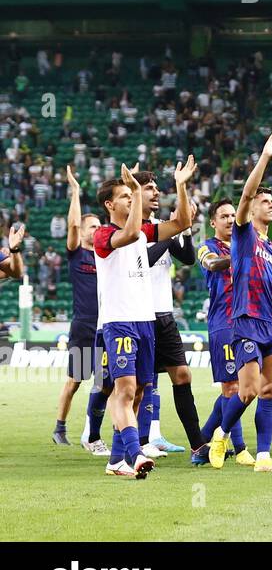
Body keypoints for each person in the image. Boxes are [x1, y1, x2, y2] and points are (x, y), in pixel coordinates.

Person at [94, 159, 195, 478]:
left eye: (131, 195)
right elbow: (128, 235)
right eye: (125, 196)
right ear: (110, 204)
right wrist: (139, 193)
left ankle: (116, 460)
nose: (131, 199)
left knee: (137, 392)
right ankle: (135, 453)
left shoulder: (143, 232)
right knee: (123, 390)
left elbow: (181, 223)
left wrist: (180, 185)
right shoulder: (102, 235)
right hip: (119, 322)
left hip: (145, 323)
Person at [207, 134, 272, 473]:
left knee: (270, 390)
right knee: (247, 391)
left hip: (270, 325)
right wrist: (265, 157)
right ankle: (221, 433)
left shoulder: (271, 250)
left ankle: (263, 458)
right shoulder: (243, 234)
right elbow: (246, 193)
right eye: (266, 201)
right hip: (244, 319)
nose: (271, 205)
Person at [138, 168, 203, 458]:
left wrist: (184, 228)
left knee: (183, 375)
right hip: (139, 315)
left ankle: (198, 444)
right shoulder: (131, 231)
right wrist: (173, 227)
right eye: (149, 188)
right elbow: (146, 259)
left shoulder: (159, 226)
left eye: (156, 188)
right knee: (140, 384)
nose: (156, 193)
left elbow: (187, 257)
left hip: (164, 316)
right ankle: (138, 443)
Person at [191, 199, 255, 467]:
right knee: (232, 386)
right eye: (224, 216)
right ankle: (238, 448)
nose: (230, 220)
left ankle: (203, 441)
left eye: (233, 215)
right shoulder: (207, 247)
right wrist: (240, 256)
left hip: (248, 321)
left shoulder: (247, 242)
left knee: (245, 387)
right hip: (223, 323)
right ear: (213, 222)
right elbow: (213, 264)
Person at [52, 167, 102, 449]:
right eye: (92, 226)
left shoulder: (107, 254)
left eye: (98, 226)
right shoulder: (77, 253)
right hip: (84, 326)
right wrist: (75, 191)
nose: (97, 230)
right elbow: (72, 226)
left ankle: (91, 433)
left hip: (107, 325)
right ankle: (60, 427)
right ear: (83, 232)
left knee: (103, 384)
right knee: (75, 381)